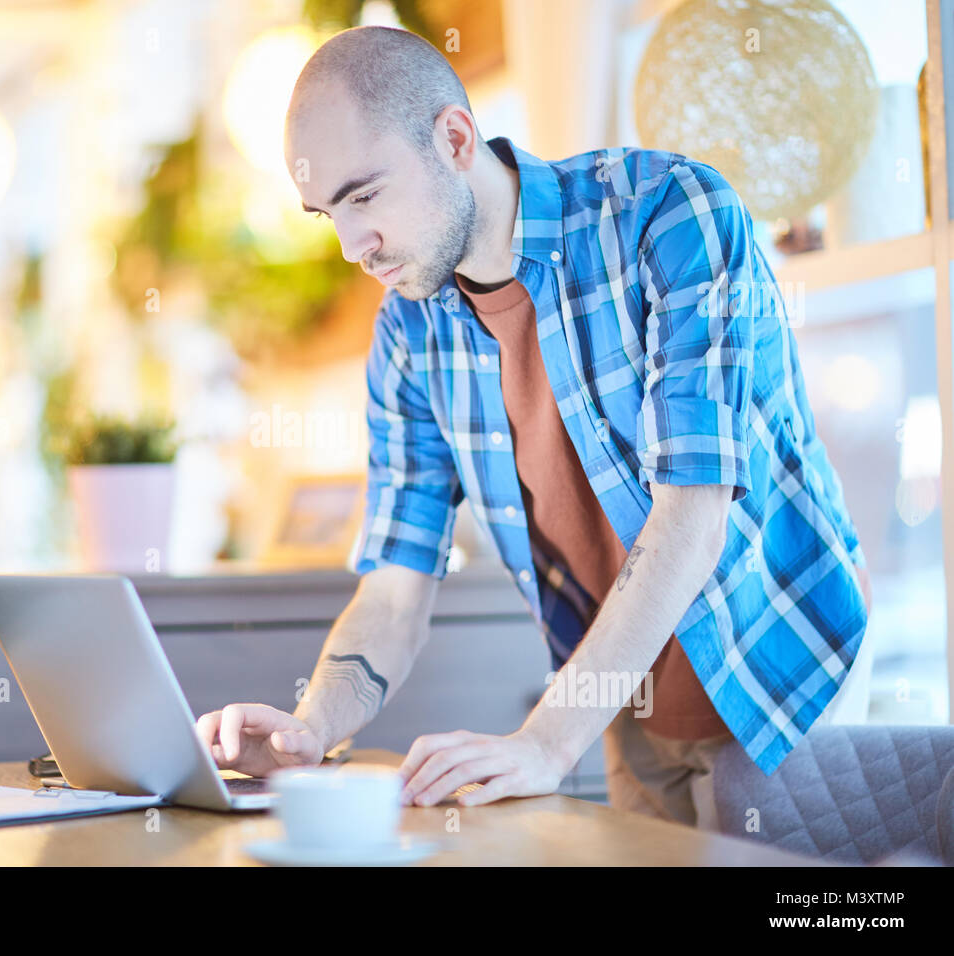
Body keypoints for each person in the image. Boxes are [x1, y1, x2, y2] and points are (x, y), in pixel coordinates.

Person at [195, 25, 871, 829]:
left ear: (453, 138)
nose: (352, 247)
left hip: (786, 673)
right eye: (327, 213)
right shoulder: (408, 334)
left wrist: (546, 743)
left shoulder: (668, 215)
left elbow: (693, 516)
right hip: (627, 706)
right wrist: (313, 727)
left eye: (366, 195)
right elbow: (396, 586)